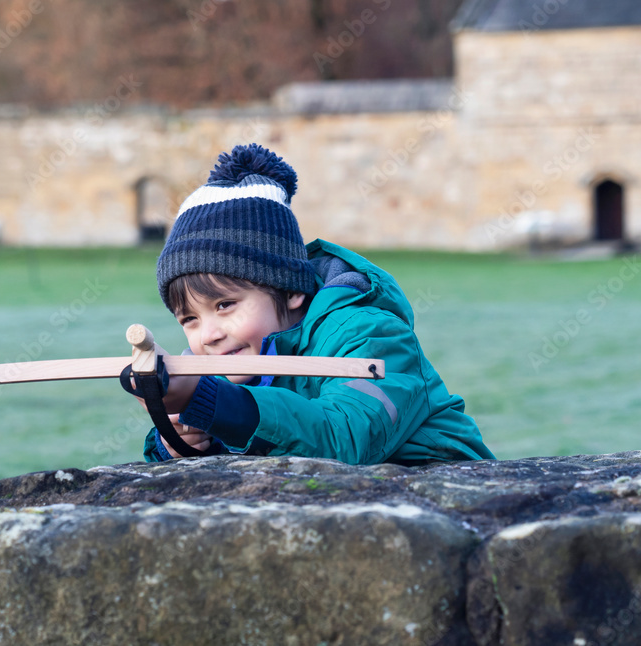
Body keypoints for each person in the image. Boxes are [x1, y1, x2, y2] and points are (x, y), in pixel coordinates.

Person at [137, 143, 495, 465]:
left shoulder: (369, 333)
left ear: (292, 289)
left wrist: (216, 403)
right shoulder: (221, 363)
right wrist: (180, 437)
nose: (209, 335)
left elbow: (347, 437)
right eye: (189, 318)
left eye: (225, 305)